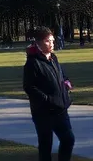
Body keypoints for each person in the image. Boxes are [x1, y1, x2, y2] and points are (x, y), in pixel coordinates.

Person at [23, 26, 74, 161]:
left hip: (60, 109)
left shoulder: (53, 58)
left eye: (52, 40)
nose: (51, 43)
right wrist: (47, 99)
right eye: (47, 41)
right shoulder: (32, 62)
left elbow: (61, 75)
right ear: (39, 42)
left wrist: (66, 82)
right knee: (46, 145)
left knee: (68, 139)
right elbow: (29, 87)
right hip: (43, 112)